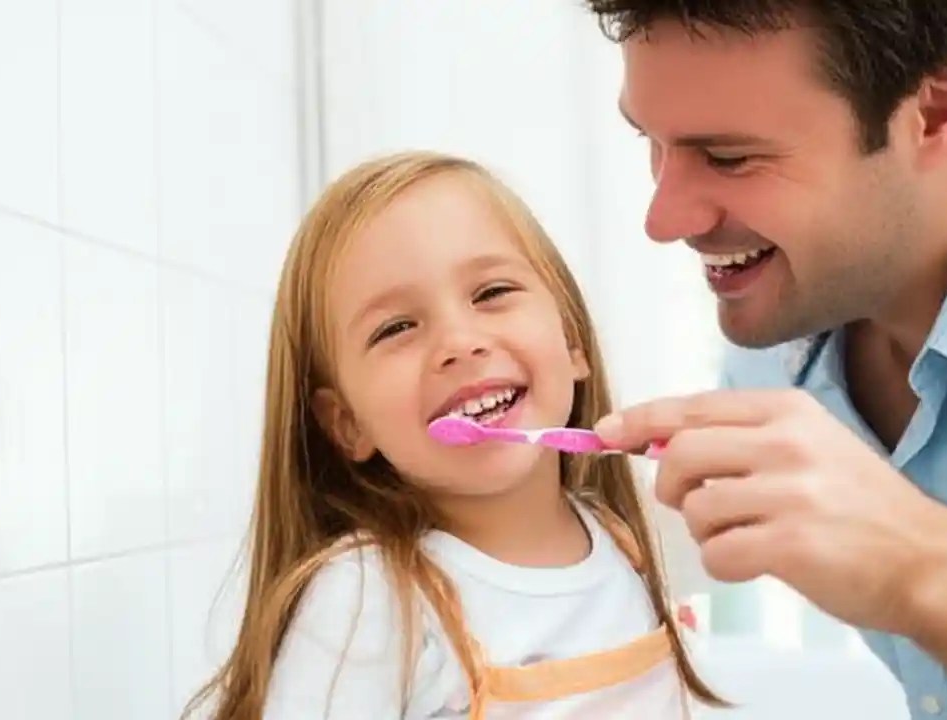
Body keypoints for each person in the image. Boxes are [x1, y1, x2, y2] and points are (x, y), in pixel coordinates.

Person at [582, 2, 947, 719]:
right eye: (650, 141)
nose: (665, 218)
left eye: (729, 158)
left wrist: (918, 566)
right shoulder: (782, 327)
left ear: (937, 113)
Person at [181, 151, 724, 719]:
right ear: (347, 423)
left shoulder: (622, 544)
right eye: (396, 328)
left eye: (492, 293)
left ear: (571, 344)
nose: (460, 342)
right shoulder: (370, 599)